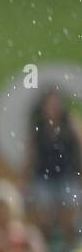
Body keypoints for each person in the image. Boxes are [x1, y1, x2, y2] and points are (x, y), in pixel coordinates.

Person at [26, 88, 82, 241]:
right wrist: (25, 179)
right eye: (50, 104)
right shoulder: (38, 127)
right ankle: (46, 250)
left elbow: (80, 149)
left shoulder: (70, 124)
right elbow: (30, 156)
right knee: (44, 218)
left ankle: (70, 248)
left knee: (69, 217)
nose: (53, 107)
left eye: (56, 104)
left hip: (67, 175)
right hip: (44, 176)